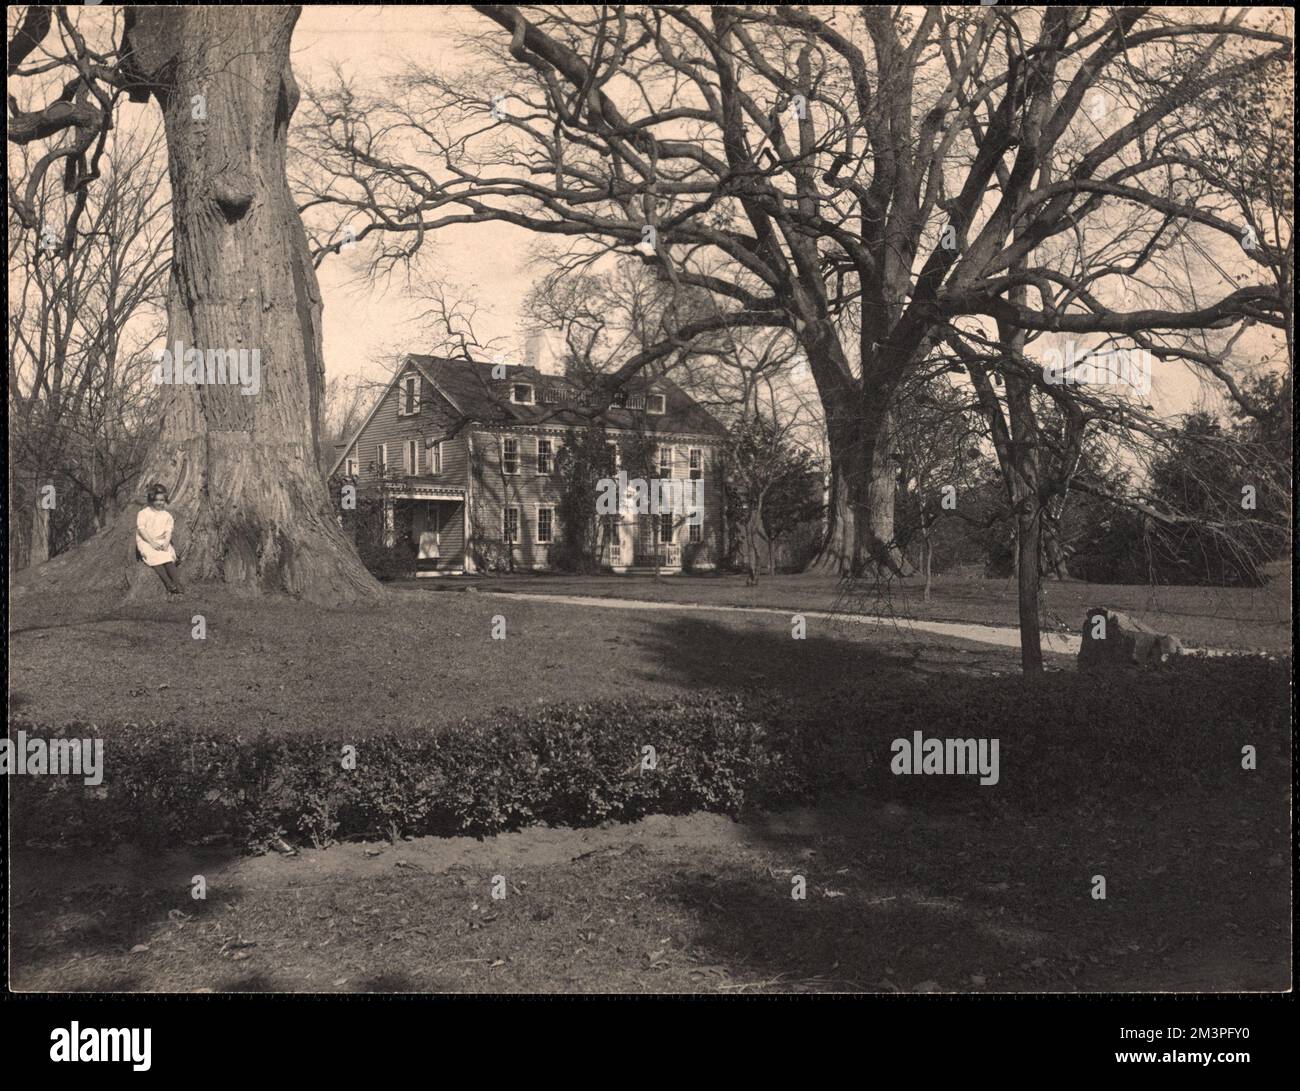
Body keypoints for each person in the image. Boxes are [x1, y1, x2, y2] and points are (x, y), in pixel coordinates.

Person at [136, 484, 184, 594]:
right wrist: (151, 543)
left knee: (166, 556)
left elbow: (168, 531)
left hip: (162, 541)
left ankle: (177, 583)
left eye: (162, 500)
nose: (159, 503)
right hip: (146, 541)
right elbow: (141, 529)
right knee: (154, 556)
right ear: (151, 500)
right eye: (156, 500)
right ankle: (169, 584)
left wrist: (167, 543)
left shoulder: (166, 515)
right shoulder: (143, 513)